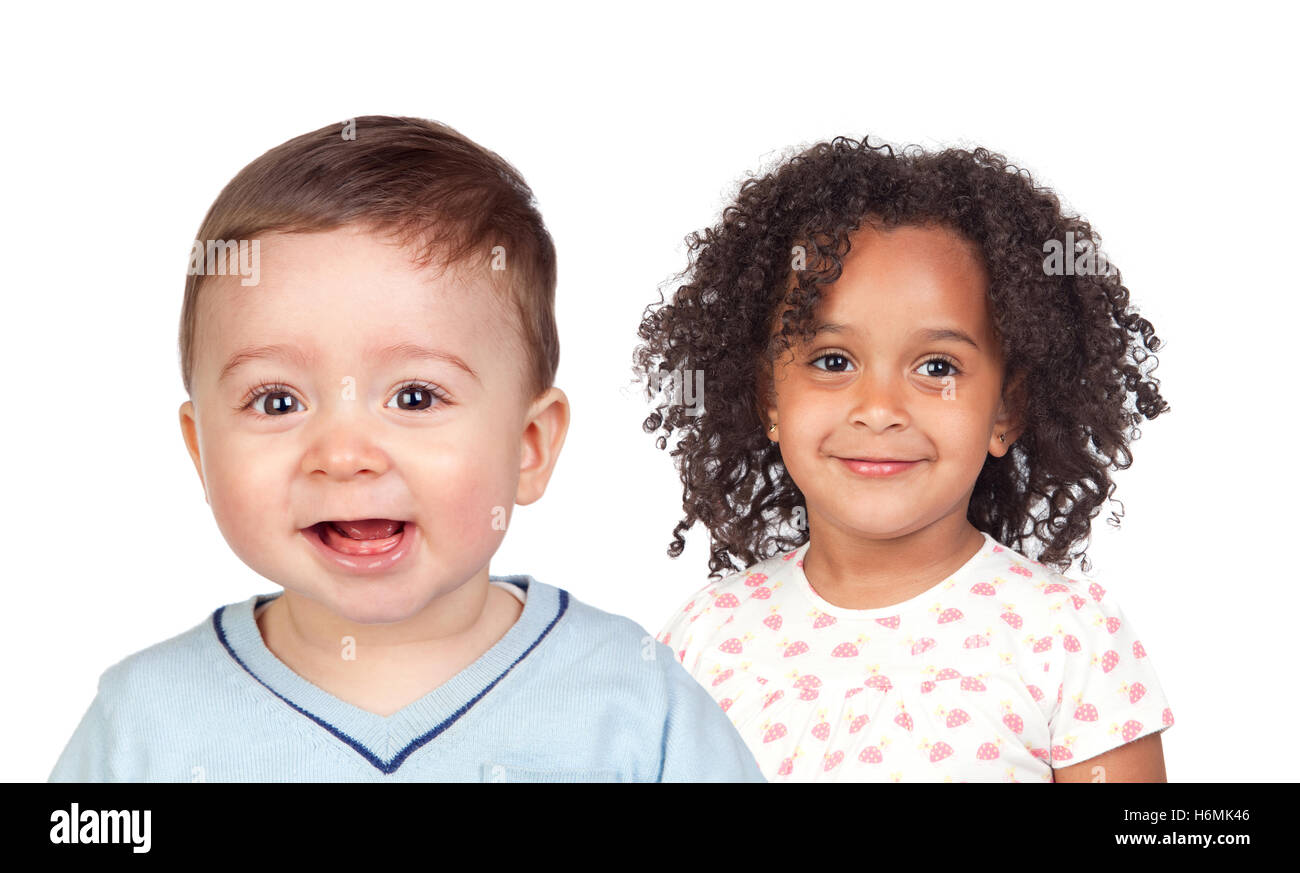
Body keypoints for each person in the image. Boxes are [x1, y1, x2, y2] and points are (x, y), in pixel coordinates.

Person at [49, 115, 764, 783]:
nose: (345, 453)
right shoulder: (140, 728)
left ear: (528, 445)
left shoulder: (635, 704)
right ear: (201, 450)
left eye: (415, 397)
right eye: (278, 401)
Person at [637, 135, 1174, 782]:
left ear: (1005, 409)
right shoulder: (704, 639)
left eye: (937, 366)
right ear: (769, 397)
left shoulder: (1067, 638)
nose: (880, 406)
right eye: (832, 361)